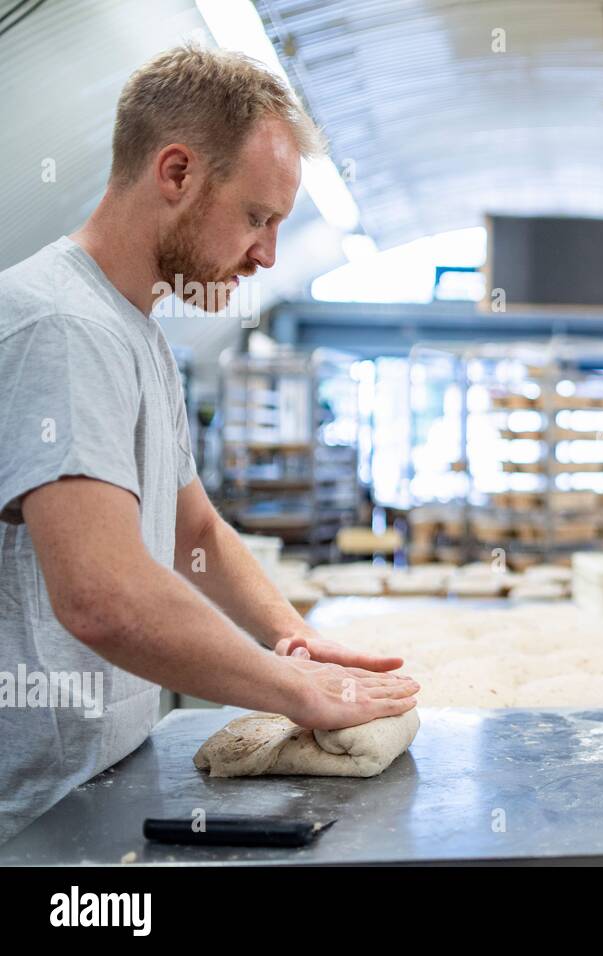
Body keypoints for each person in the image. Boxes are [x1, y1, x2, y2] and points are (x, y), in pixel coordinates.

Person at [0, 45, 418, 844]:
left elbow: (194, 534)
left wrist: (295, 638)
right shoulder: (62, 328)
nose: (265, 254)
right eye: (257, 217)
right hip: (27, 821)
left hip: (96, 787)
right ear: (177, 173)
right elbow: (101, 595)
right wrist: (295, 692)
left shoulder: (140, 337)